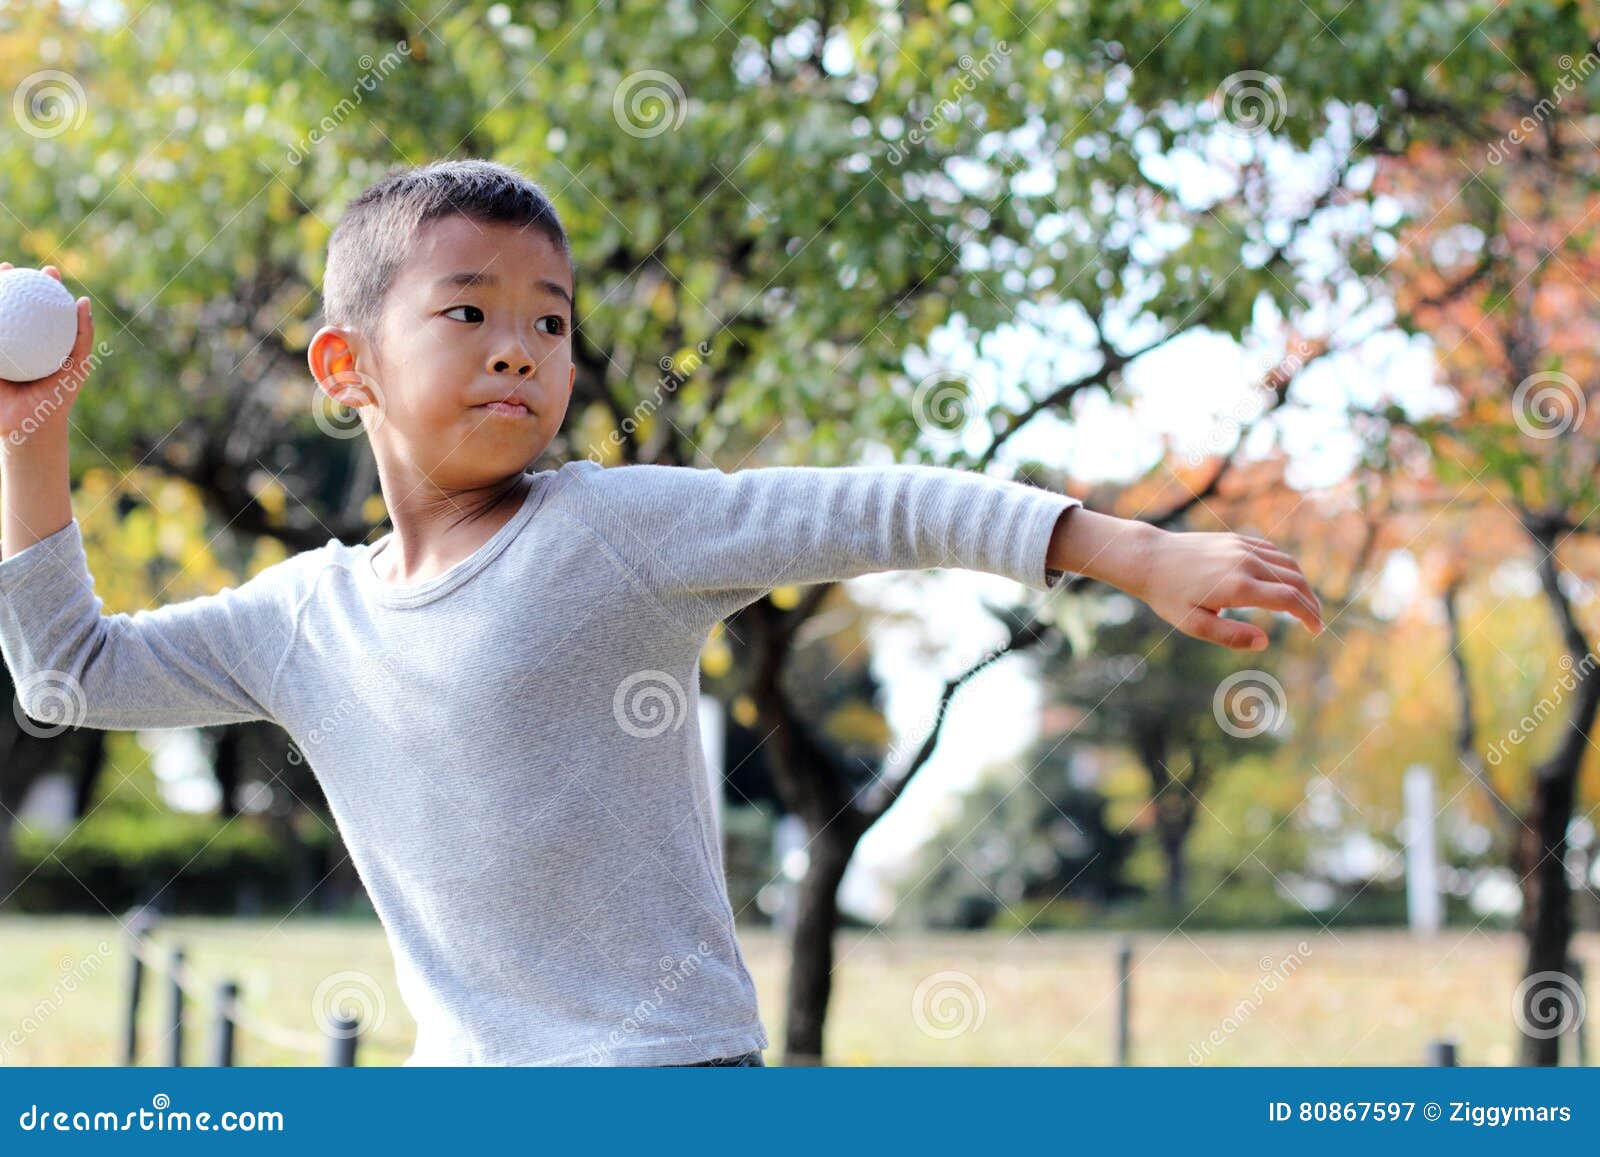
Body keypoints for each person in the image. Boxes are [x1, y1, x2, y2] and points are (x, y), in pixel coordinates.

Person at [0, 159, 1322, 1066]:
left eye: (551, 320)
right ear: (346, 366)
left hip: (663, 1075)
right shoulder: (305, 616)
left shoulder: (612, 527)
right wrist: (33, 438)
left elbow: (879, 506)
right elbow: (68, 672)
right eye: (468, 310)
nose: (520, 344)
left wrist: (1132, 549)